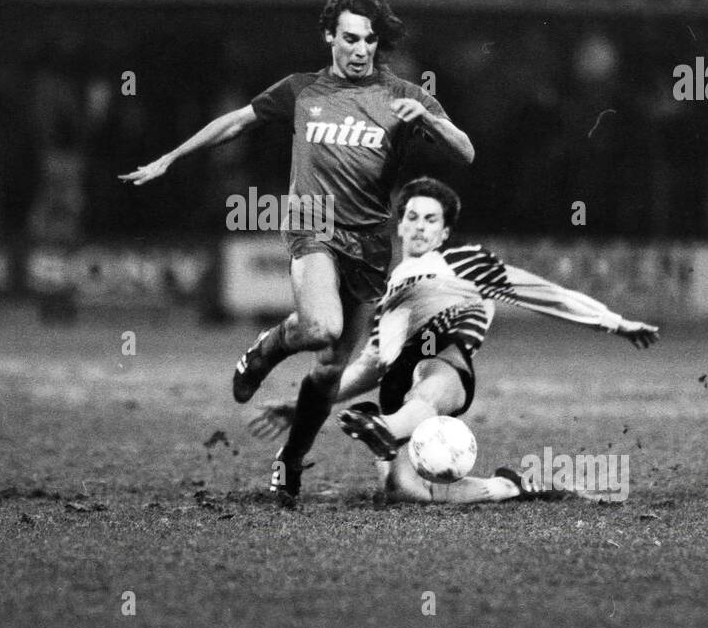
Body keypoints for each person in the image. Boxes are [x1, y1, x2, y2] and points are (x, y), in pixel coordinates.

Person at [121, 0, 474, 506]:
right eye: (350, 39)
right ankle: (265, 352)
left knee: (331, 366)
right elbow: (237, 122)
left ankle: (289, 461)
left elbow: (465, 151)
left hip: (372, 241)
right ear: (330, 36)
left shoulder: (403, 96)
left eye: (370, 41)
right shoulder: (301, 90)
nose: (360, 50)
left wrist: (430, 120)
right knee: (320, 325)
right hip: (311, 222)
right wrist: (172, 158)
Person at [248, 177, 659, 504]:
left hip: (445, 361)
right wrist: (302, 406)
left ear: (444, 232)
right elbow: (371, 363)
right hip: (395, 388)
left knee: (427, 373)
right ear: (400, 223)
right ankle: (512, 486)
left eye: (431, 219)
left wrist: (613, 322)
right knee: (406, 493)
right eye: (413, 216)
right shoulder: (385, 289)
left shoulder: (465, 262)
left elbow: (543, 292)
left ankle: (385, 428)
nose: (420, 226)